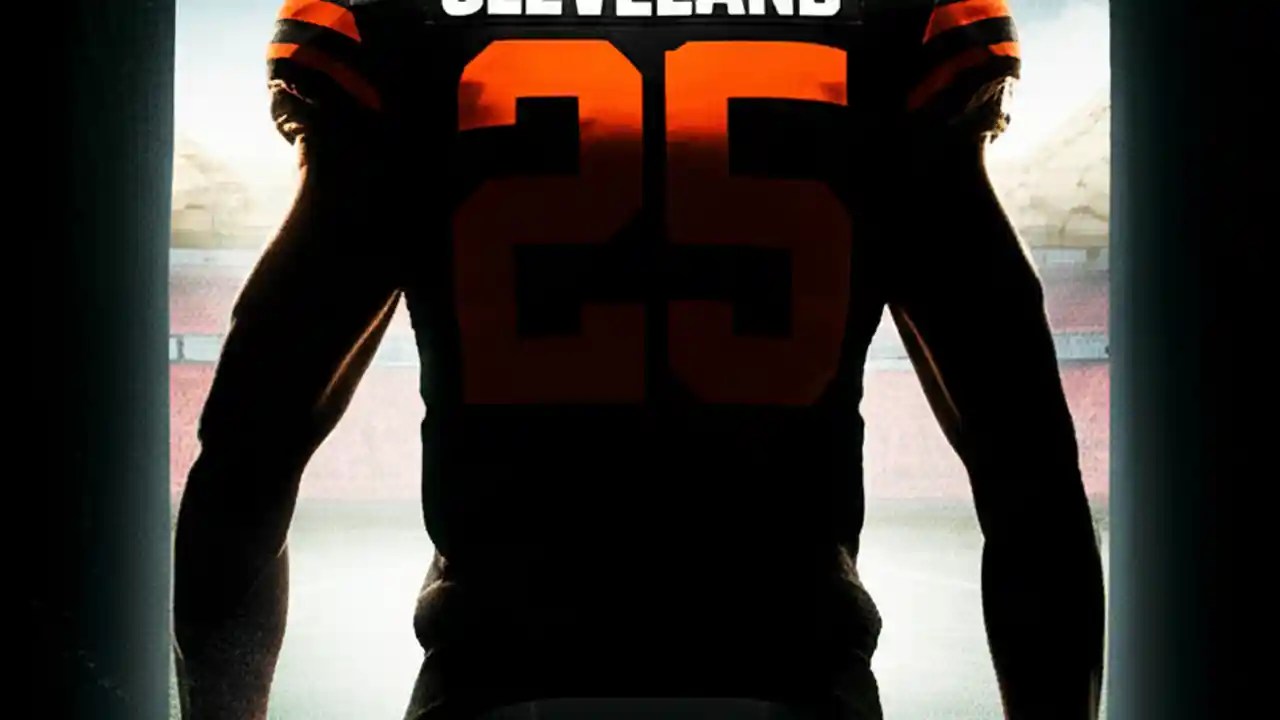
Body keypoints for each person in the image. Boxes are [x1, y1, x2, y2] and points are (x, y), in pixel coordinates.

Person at [173, 1, 1105, 718]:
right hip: (791, 673)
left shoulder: (396, 26)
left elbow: (250, 447)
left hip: (499, 677)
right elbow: (1027, 467)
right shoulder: (896, 25)